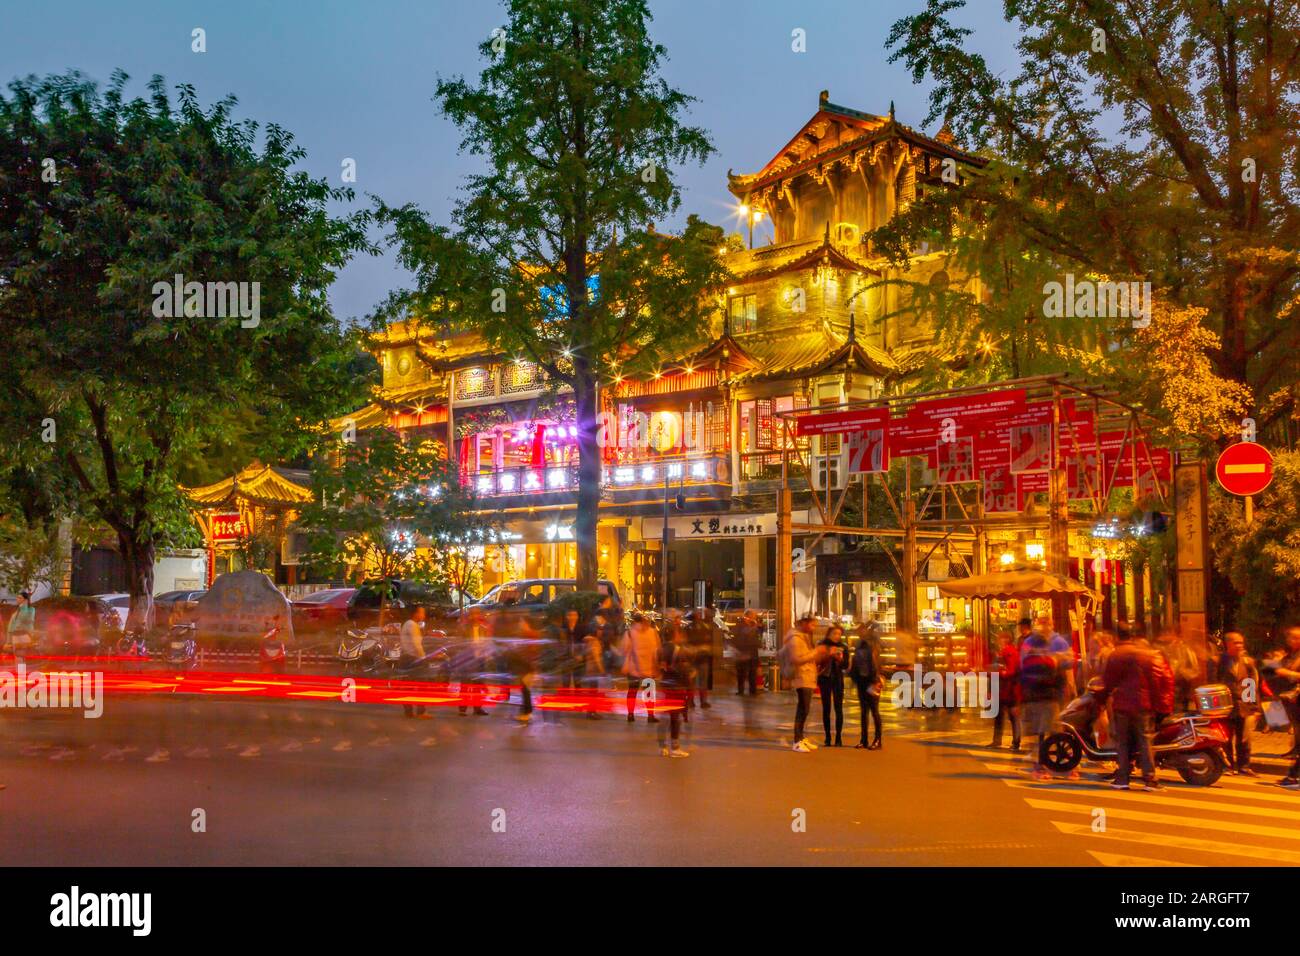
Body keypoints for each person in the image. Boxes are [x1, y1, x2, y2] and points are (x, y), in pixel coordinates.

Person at [1099, 626, 1172, 791]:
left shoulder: (1115, 655)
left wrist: (1101, 700)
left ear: (1117, 637)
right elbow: (1154, 679)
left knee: (1122, 743)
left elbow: (1108, 682)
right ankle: (1150, 779)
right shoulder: (1144, 655)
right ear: (1132, 637)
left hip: (1121, 705)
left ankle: (1122, 778)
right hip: (1142, 704)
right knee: (1145, 741)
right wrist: (1158, 703)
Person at [1019, 624, 1064, 780]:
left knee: (1036, 736)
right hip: (1048, 702)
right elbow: (1059, 681)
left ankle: (1038, 766)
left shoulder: (1027, 661)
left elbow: (1023, 681)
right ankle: (1051, 765)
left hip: (1031, 702)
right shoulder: (1050, 661)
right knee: (1050, 735)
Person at [1218, 632, 1262, 776]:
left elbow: (1252, 685)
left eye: (1241, 643)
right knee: (1226, 738)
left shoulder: (1248, 662)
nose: (1239, 646)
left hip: (1244, 705)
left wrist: (1255, 707)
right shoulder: (1218, 661)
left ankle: (1244, 766)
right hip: (1226, 705)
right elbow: (1213, 682)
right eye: (1236, 643)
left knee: (1244, 738)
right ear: (1227, 644)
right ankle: (1228, 766)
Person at [783, 615, 822, 753]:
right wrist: (815, 652)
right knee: (803, 709)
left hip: (807, 676)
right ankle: (797, 741)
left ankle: (801, 737)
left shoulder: (803, 637)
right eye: (812, 625)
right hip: (802, 677)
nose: (814, 628)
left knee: (805, 709)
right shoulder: (795, 639)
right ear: (804, 623)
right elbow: (796, 659)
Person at [1262, 626, 1300, 758]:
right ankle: (1296, 749)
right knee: (1296, 723)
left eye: (1297, 638)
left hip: (1296, 693)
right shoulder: (1290, 655)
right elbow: (1273, 671)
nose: (1294, 640)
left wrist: (1287, 672)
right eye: (1292, 638)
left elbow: (1285, 672)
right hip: (1290, 695)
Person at [657, 624, 694, 757]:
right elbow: (684, 670)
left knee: (664, 717)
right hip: (677, 686)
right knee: (675, 718)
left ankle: (662, 747)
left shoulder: (660, 649)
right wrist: (689, 683)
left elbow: (659, 666)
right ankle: (675, 747)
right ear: (675, 635)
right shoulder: (678, 650)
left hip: (665, 684)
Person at [620, 612, 662, 722]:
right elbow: (658, 649)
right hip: (649, 668)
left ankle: (630, 714)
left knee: (632, 691)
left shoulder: (629, 633)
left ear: (634, 621)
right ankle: (650, 715)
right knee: (649, 692)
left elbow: (624, 650)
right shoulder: (653, 632)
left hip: (633, 668)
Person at [850, 622, 883, 749]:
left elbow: (875, 663)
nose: (859, 632)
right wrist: (855, 677)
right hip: (862, 680)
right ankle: (864, 739)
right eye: (858, 630)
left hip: (872, 680)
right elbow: (856, 662)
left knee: (874, 710)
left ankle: (877, 740)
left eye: (861, 630)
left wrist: (875, 680)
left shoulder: (872, 643)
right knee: (864, 711)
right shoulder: (859, 644)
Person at [989, 630, 1022, 751]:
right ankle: (1006, 741)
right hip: (1004, 688)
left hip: (1008, 688)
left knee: (1010, 717)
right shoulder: (1005, 652)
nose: (999, 641)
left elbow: (1011, 671)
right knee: (1004, 716)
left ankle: (1012, 741)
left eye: (1001, 638)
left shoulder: (1009, 652)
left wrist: (999, 672)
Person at [1153, 629, 1201, 713]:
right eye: (1164, 633)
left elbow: (1194, 668)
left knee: (1179, 710)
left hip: (1180, 685)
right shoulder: (1156, 647)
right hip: (1166, 686)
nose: (1165, 636)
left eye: (1168, 632)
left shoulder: (1184, 648)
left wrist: (1182, 673)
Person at [817, 624, 849, 746]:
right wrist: (827, 655)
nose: (837, 636)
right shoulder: (822, 645)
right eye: (834, 633)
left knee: (838, 708)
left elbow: (846, 665)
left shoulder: (843, 647)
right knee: (826, 708)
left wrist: (840, 660)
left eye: (839, 634)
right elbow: (816, 661)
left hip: (837, 679)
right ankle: (827, 737)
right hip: (824, 679)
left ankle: (838, 737)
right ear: (829, 634)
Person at [457, 605, 491, 717]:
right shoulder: (464, 628)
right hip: (467, 661)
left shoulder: (483, 629)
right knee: (465, 685)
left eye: (477, 613)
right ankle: (462, 708)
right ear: (469, 616)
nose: (475, 616)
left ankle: (477, 708)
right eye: (472, 614)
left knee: (478, 685)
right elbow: (460, 644)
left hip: (479, 660)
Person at [399, 606, 431, 719]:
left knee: (408, 686)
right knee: (422, 686)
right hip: (413, 659)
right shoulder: (412, 625)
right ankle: (420, 712)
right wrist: (423, 658)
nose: (423, 615)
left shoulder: (407, 624)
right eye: (422, 613)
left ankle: (408, 711)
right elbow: (417, 644)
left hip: (406, 658)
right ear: (415, 614)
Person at [687, 607, 716, 710]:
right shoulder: (690, 627)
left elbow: (709, 641)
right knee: (692, 682)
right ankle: (692, 701)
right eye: (698, 613)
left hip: (702, 658)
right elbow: (688, 642)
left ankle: (702, 701)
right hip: (694, 659)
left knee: (702, 682)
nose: (700, 615)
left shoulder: (705, 627)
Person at [731, 609, 762, 696]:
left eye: (754, 617)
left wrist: (758, 643)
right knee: (741, 673)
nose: (754, 618)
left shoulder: (754, 626)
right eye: (753, 616)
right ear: (747, 617)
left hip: (753, 653)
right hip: (743, 653)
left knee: (752, 673)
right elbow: (739, 637)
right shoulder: (740, 626)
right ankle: (741, 690)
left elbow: (756, 638)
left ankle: (753, 691)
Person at [5, 591, 35, 660]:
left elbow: (25, 619)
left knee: (23, 657)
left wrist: (24, 606)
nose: (17, 599)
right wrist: (8, 641)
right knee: (18, 658)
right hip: (15, 636)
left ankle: (22, 667)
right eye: (17, 597)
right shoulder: (16, 612)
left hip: (24, 635)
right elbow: (10, 627)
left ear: (25, 600)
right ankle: (20, 667)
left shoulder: (31, 610)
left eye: (20, 598)